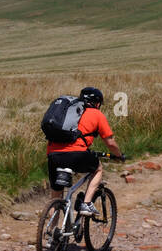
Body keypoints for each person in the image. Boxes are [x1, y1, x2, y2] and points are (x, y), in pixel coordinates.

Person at [47, 86, 122, 215]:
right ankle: (86, 203)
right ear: (97, 103)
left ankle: (51, 231)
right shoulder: (97, 114)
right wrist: (119, 155)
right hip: (77, 154)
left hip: (53, 155)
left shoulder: (70, 112)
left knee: (56, 197)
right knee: (97, 169)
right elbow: (110, 143)